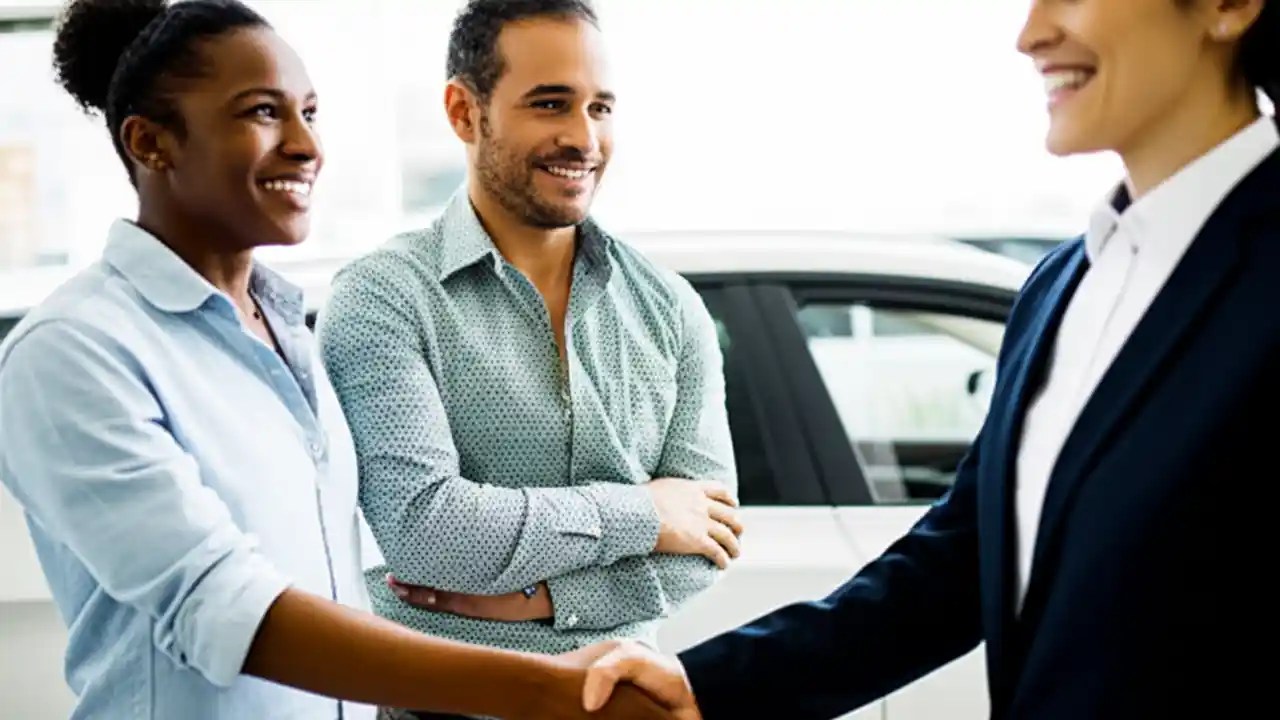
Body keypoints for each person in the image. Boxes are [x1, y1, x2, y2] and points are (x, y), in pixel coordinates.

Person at [576, 0, 1280, 718]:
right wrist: (711, 683)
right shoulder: (1063, 286)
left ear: (1226, 6)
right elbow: (957, 566)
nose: (1030, 34)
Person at [0, 2, 671, 719]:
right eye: (263, 113)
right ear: (151, 143)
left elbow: (331, 587)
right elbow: (228, 608)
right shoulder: (74, 351)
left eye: (310, 113)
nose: (305, 146)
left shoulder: (285, 331)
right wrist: (546, 688)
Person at [314, 1, 741, 718]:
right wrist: (644, 512)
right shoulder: (381, 300)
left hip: (626, 707)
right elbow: (429, 535)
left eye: (600, 107)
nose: (583, 138)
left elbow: (707, 539)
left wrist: (529, 599)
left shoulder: (669, 307)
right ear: (463, 112)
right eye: (550, 105)